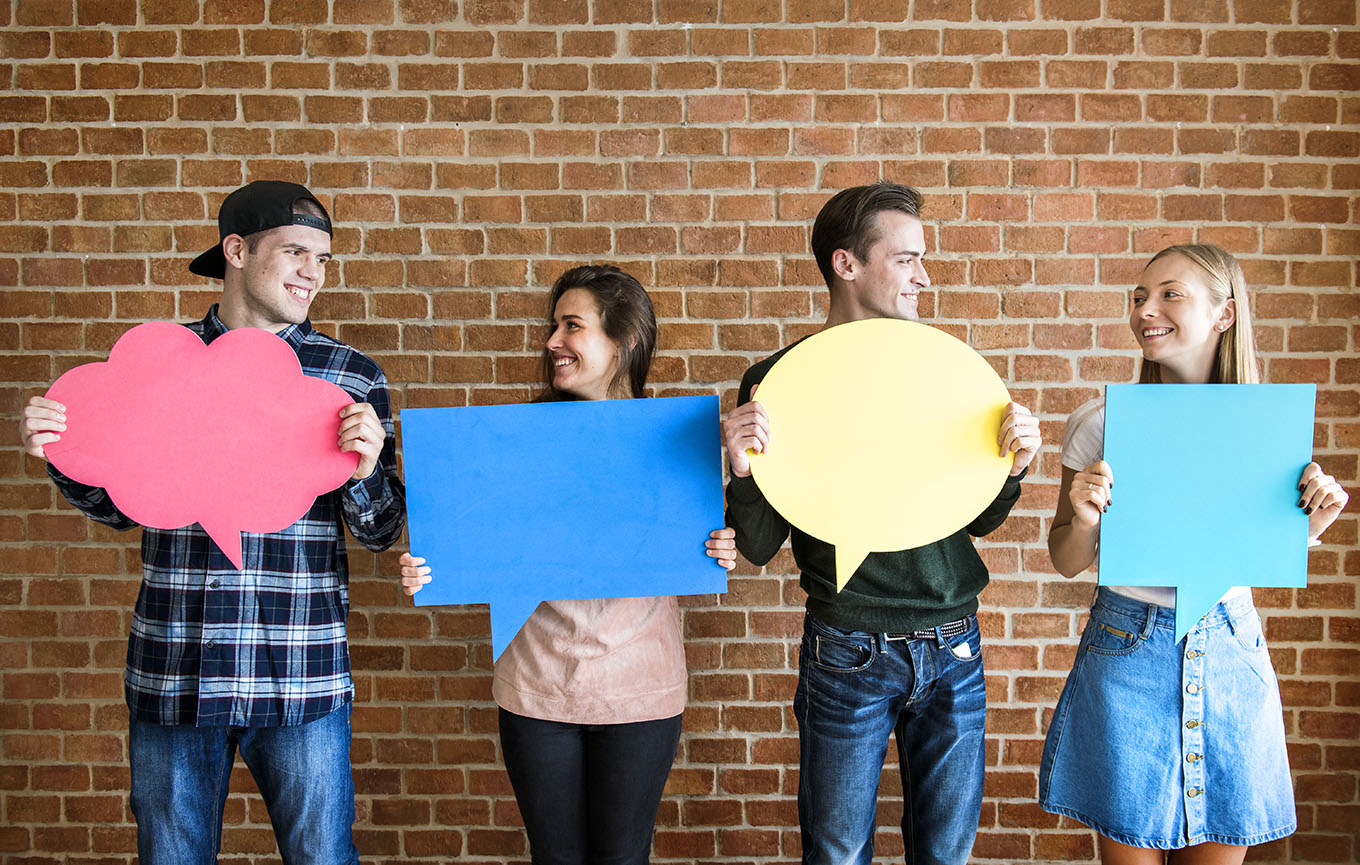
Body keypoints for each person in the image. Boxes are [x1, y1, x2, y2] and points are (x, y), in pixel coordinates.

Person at [19, 180, 406, 865]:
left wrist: (366, 470)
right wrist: (65, 453)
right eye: (294, 252)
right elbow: (117, 507)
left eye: (321, 257)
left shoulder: (350, 376)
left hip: (301, 674)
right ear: (235, 250)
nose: (312, 273)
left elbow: (379, 532)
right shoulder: (157, 366)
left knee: (322, 857)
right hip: (176, 669)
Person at [722, 182, 1042, 865]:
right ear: (847, 264)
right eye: (907, 259)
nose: (925, 276)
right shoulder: (776, 380)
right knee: (836, 853)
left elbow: (981, 519)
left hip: (955, 646)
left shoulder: (945, 372)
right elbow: (755, 544)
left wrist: (1013, 467)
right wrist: (742, 472)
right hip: (846, 647)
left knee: (946, 853)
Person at [399, 264, 737, 865]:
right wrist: (432, 568)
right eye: (554, 325)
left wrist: (717, 549)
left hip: (640, 691)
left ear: (623, 342)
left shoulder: (676, 441)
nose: (552, 341)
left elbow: (702, 543)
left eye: (571, 325)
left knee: (622, 857)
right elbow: (469, 542)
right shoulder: (511, 441)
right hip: (537, 691)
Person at [1040, 243, 1349, 864]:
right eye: (1139, 297)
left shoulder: (1269, 426)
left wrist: (1309, 528)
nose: (1145, 310)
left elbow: (1243, 552)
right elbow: (1067, 560)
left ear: (1224, 315)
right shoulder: (1100, 423)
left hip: (1230, 648)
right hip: (1128, 648)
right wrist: (1082, 517)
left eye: (1168, 294)